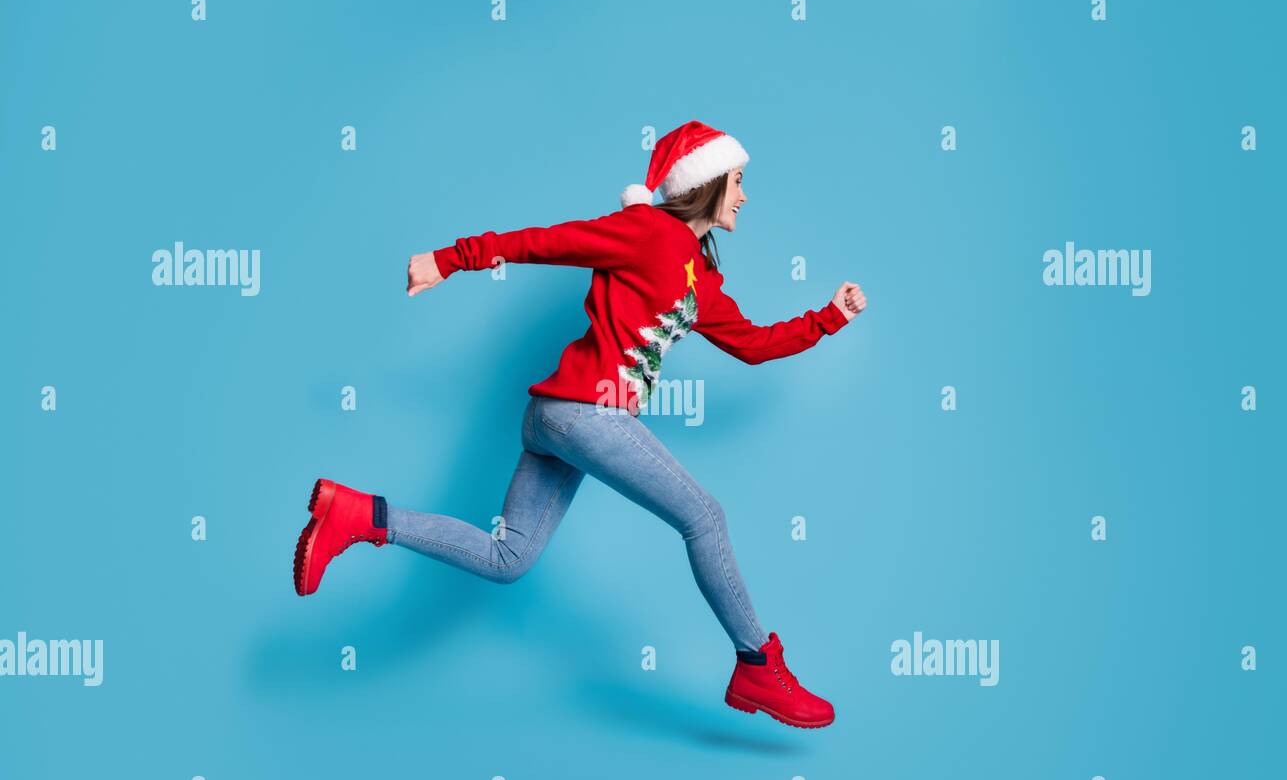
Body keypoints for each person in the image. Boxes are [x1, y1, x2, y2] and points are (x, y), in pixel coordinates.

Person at [293, 120, 867, 729]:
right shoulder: (648, 232)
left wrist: (828, 316)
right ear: (708, 183)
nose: (746, 196)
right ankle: (757, 662)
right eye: (740, 181)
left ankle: (359, 516)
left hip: (559, 421)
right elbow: (549, 241)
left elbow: (753, 343)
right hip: (586, 413)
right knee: (705, 518)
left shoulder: (701, 279)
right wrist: (449, 259)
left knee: (506, 559)